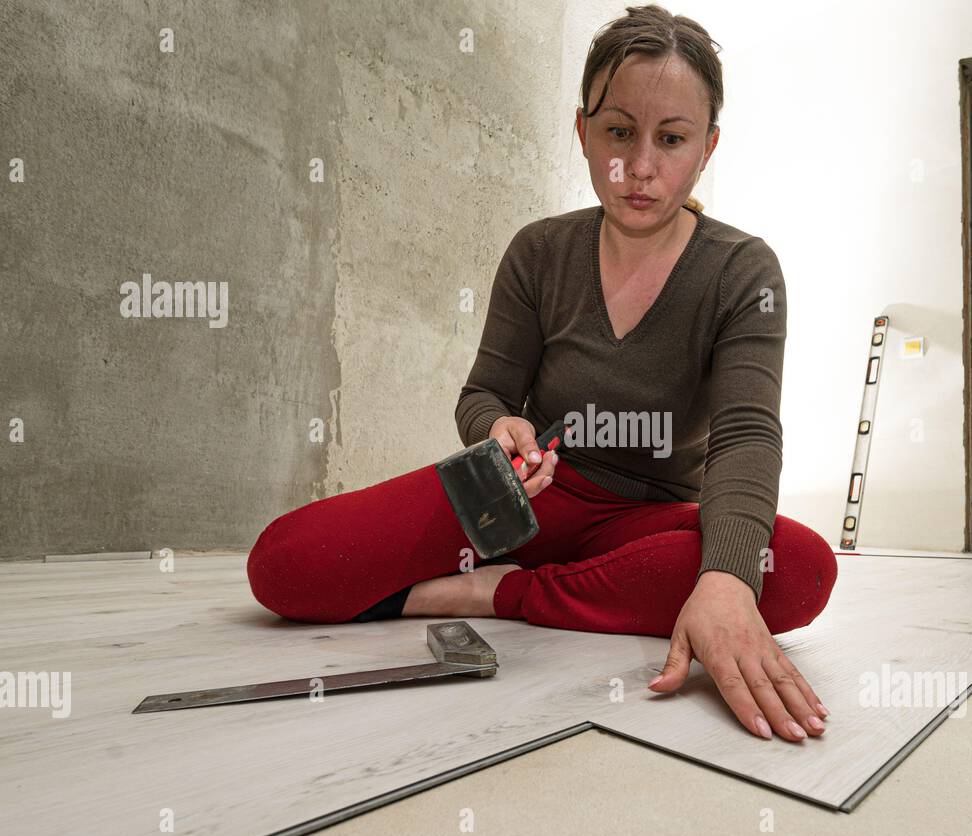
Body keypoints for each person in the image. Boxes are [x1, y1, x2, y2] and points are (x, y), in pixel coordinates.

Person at [247, 4, 837, 743]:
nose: (641, 167)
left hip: (650, 522)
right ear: (582, 130)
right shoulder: (539, 252)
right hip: (521, 499)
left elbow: (748, 432)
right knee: (285, 565)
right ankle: (547, 584)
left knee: (802, 568)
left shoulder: (743, 269)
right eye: (618, 132)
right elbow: (484, 393)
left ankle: (495, 592)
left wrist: (723, 581)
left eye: (673, 139)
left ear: (707, 148)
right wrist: (497, 428)